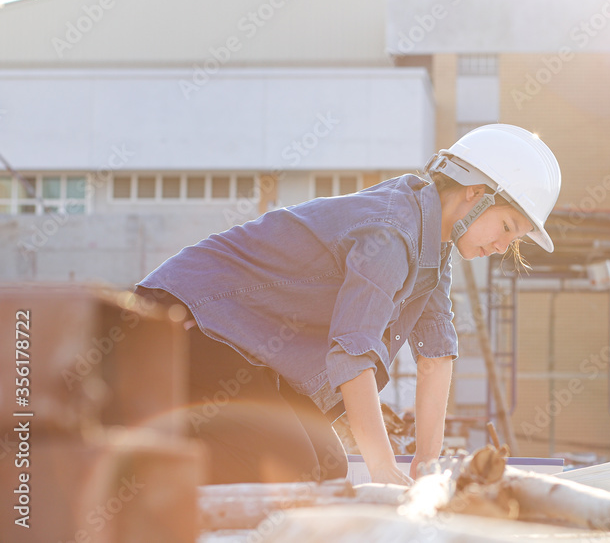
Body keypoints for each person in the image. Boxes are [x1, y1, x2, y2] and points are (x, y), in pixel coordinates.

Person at [134, 123, 561, 486]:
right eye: (507, 226)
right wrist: (381, 467)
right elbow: (353, 349)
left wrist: (426, 466)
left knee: (328, 469)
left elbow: (435, 354)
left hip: (240, 347)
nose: (504, 245)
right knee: (288, 467)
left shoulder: (435, 245)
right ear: (475, 194)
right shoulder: (392, 232)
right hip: (179, 319)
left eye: (515, 239)